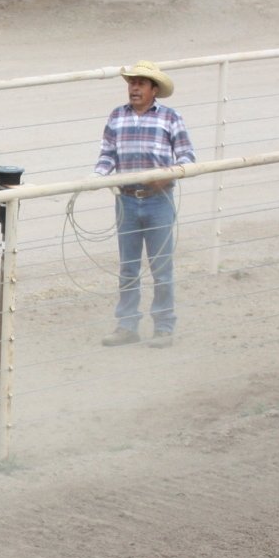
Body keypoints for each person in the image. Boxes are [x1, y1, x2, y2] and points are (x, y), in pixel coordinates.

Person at [95, 60, 196, 347]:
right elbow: (107, 155)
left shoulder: (170, 118)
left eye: (140, 83)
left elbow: (187, 157)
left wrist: (168, 176)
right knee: (128, 268)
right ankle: (127, 326)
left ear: (154, 89)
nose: (134, 88)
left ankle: (164, 327)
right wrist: (97, 176)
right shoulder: (117, 116)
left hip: (158, 201)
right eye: (132, 83)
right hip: (126, 200)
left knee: (160, 268)